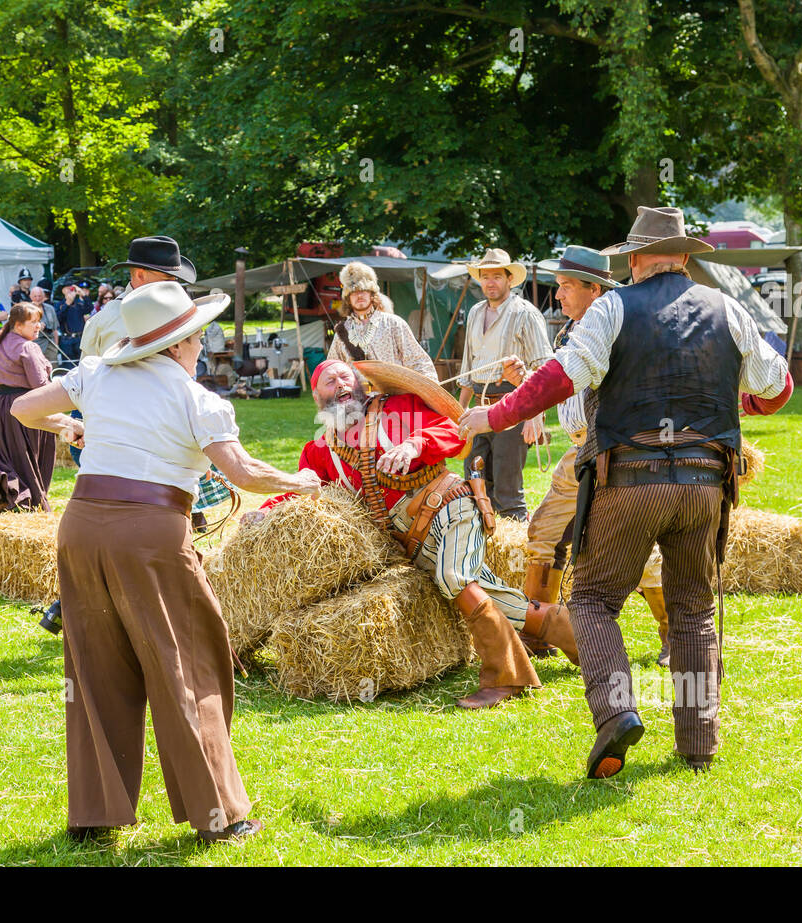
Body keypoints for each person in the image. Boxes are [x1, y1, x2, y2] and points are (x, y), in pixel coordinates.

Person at [460, 206, 793, 777]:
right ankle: (698, 744)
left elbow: (565, 376)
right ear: (684, 256)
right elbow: (775, 386)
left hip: (630, 480)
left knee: (591, 601)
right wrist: (734, 402)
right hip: (705, 485)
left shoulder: (613, 307)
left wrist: (494, 416)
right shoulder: (729, 309)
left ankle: (617, 714)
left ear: (634, 259)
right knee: (694, 613)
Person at [10, 280, 321, 843]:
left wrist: (74, 425)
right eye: (198, 337)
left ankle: (94, 815)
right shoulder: (199, 399)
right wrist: (300, 481)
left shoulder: (97, 374)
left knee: (93, 670)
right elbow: (245, 474)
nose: (201, 345)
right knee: (187, 663)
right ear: (179, 343)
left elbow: (23, 407)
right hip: (151, 536)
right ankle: (220, 815)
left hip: (80, 529)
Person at [247, 359, 580, 709]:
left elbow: (453, 430)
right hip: (413, 542)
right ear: (317, 397)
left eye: (345, 376)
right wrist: (267, 511)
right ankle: (580, 637)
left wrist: (414, 445)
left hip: (450, 509)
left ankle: (506, 677)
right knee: (487, 594)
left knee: (454, 578)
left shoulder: (397, 407)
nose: (340, 384)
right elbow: (305, 489)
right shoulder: (319, 450)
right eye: (329, 382)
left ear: (360, 384)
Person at [514, 246, 672, 666]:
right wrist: (528, 381)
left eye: (566, 287)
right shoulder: (571, 331)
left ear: (595, 289)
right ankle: (538, 629)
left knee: (634, 550)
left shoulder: (619, 332)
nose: (558, 296)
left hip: (613, 452)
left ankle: (671, 634)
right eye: (558, 286)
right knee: (542, 536)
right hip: (577, 455)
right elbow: (566, 389)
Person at [456, 248, 554, 520]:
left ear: (510, 279)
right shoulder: (475, 312)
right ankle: (479, 550)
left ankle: (514, 551)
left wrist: (536, 413)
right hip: (478, 410)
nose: (490, 282)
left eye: (497, 276)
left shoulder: (526, 313)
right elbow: (468, 369)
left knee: (507, 493)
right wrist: (458, 412)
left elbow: (544, 368)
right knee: (473, 486)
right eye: (485, 276)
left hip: (514, 408)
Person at [0, 303, 55, 512]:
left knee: (9, 457)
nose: (38, 327)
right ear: (17, 325)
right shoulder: (28, 347)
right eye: (32, 322)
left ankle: (14, 502)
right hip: (27, 407)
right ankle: (29, 501)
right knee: (28, 457)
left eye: (38, 322)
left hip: (2, 408)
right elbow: (40, 385)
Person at [80, 235, 197, 359]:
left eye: (176, 279)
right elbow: (86, 373)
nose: (174, 286)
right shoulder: (105, 322)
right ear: (140, 275)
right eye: (167, 279)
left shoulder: (179, 311)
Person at [325, 262, 437, 380]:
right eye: (353, 292)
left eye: (363, 290)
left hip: (392, 394)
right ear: (348, 298)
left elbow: (418, 361)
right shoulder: (342, 331)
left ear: (372, 294)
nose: (359, 295)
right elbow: (333, 367)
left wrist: (430, 388)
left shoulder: (394, 324)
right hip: (356, 396)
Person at [55, 284, 89, 362]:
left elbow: (89, 308)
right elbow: (58, 318)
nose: (70, 291)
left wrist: (83, 295)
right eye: (68, 289)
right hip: (66, 340)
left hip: (80, 339)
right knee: (68, 366)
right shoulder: (59, 304)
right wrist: (67, 304)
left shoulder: (79, 303)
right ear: (63, 291)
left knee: (82, 363)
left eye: (72, 289)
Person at [30, 285, 60, 362]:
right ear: (30, 297)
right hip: (34, 344)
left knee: (54, 367)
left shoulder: (50, 308)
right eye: (35, 296)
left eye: (39, 296)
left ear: (44, 297)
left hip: (50, 343)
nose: (37, 298)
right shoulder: (27, 309)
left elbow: (55, 330)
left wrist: (56, 346)